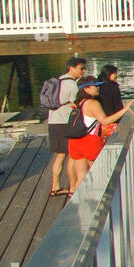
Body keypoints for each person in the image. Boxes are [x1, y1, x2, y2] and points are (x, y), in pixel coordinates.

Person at [66, 79, 132, 195]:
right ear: (86, 89)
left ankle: (76, 201)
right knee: (99, 175)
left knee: (81, 176)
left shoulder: (78, 102)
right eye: (94, 86)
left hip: (75, 142)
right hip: (90, 141)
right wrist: (124, 110)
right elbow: (104, 121)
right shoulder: (92, 103)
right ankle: (98, 199)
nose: (98, 88)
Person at [45, 56, 87, 197]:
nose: (83, 71)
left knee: (60, 155)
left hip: (53, 122)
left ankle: (55, 187)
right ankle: (73, 188)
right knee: (73, 156)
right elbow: (77, 104)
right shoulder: (71, 85)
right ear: (72, 68)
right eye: (81, 68)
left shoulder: (58, 80)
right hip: (64, 123)